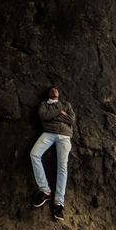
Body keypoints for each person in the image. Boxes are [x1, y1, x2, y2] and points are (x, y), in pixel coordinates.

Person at [29, 86, 75, 221]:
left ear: (59, 93)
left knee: (62, 167)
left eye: (56, 90)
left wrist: (55, 114)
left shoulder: (66, 105)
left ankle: (59, 203)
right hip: (48, 133)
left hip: (65, 136)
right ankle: (45, 190)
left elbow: (72, 120)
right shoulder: (44, 105)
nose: (54, 91)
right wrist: (60, 113)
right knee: (34, 154)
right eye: (51, 90)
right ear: (49, 94)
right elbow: (44, 116)